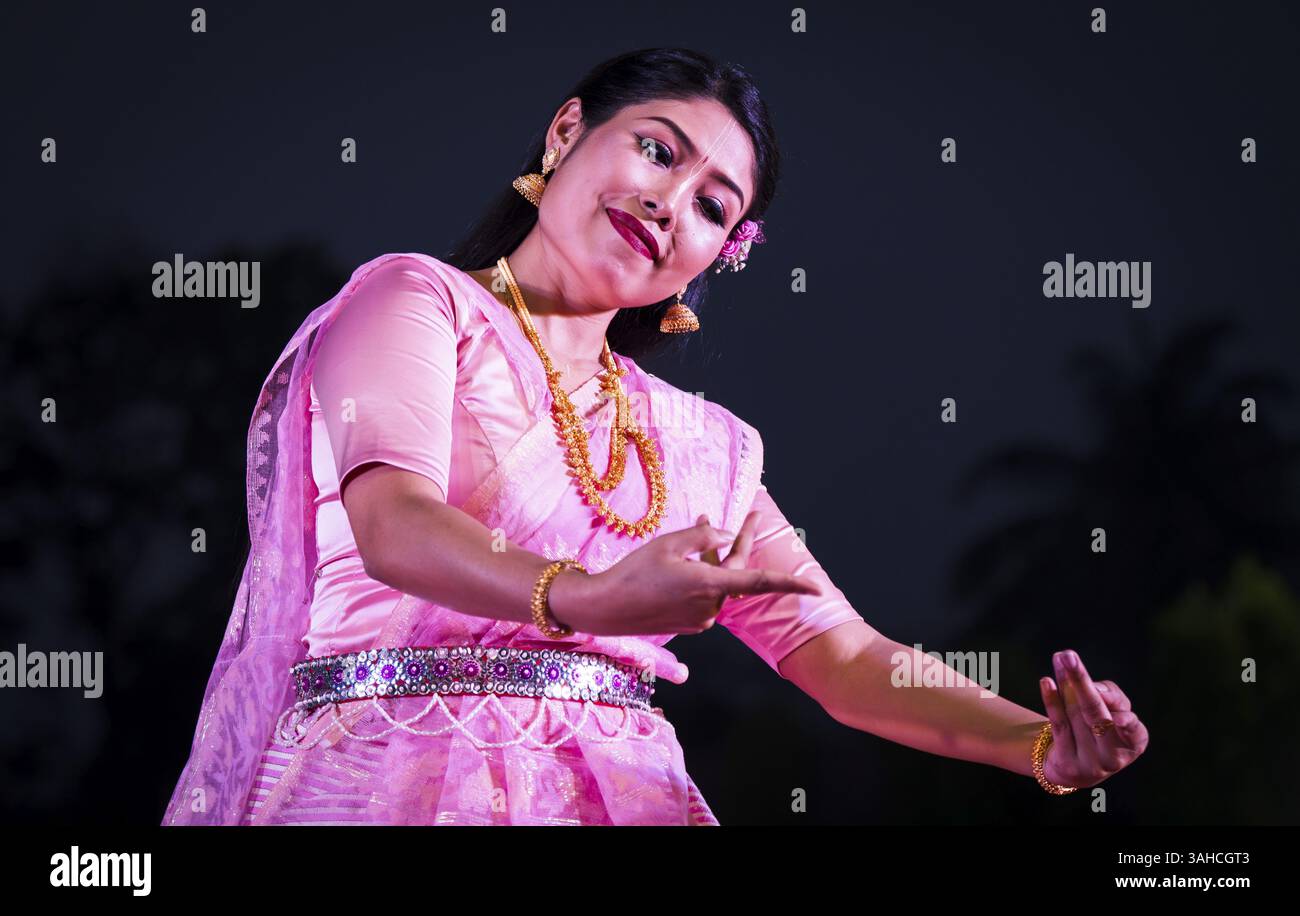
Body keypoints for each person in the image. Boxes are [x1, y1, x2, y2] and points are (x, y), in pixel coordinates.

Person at [163, 48, 1147, 826]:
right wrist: (590, 597)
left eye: (714, 205)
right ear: (565, 132)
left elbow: (841, 654)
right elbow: (393, 521)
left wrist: (1033, 746)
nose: (669, 202)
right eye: (657, 151)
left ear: (717, 255)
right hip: (378, 780)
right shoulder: (418, 303)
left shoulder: (702, 448)